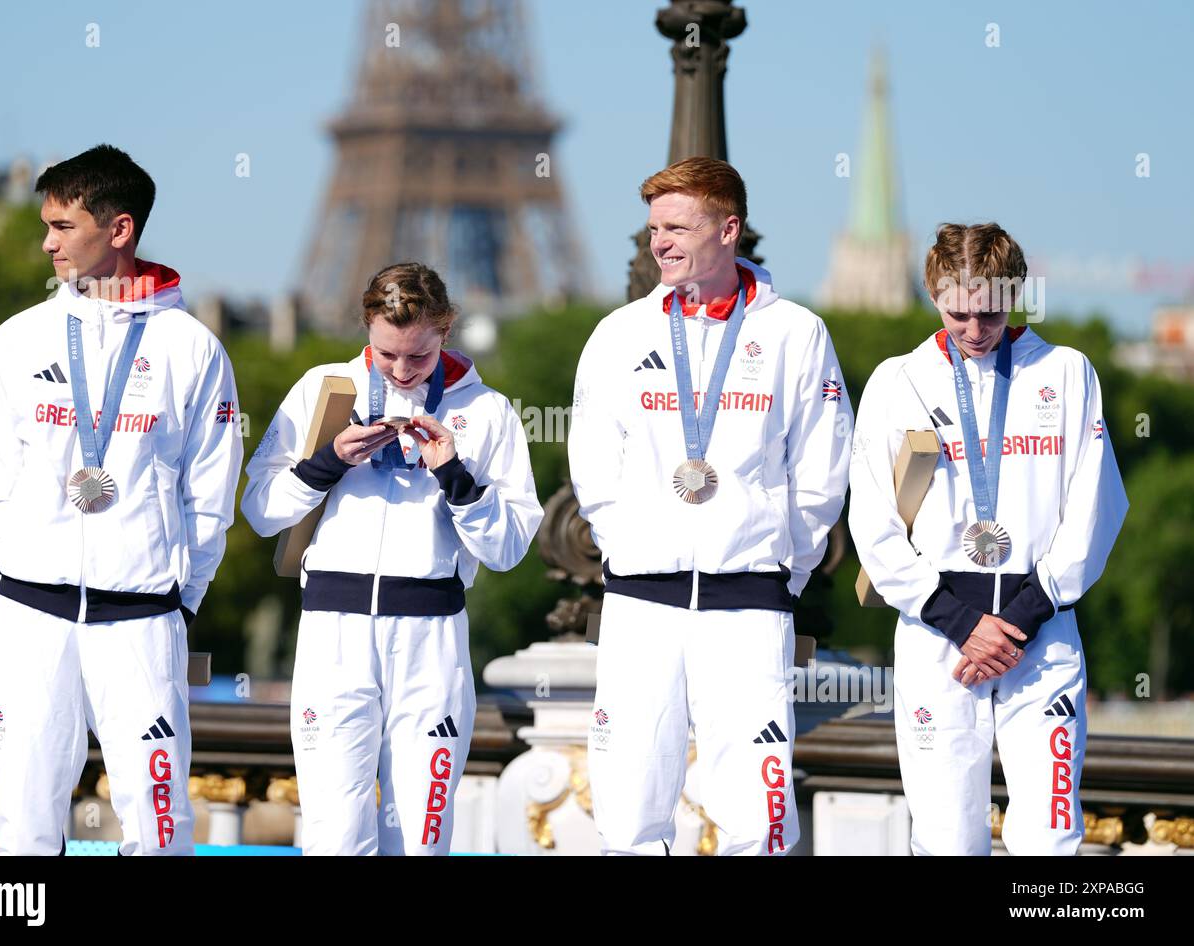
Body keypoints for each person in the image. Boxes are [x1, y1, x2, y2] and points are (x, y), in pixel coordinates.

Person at [568, 157, 853, 855]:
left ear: (729, 230)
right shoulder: (619, 334)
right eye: (652, 229)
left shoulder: (796, 333)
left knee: (757, 818)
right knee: (629, 811)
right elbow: (593, 465)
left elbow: (822, 470)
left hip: (748, 603)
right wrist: (629, 547)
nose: (657, 243)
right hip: (641, 602)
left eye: (675, 227)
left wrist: (779, 567)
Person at [0, 144, 243, 855]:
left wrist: (180, 597)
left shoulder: (192, 348)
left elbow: (210, 491)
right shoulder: (18, 339)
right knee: (22, 823)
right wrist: (17, 579)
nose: (46, 242)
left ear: (118, 230)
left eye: (62, 226)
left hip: (142, 615)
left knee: (157, 824)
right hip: (33, 611)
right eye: (46, 224)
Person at [242, 262, 542, 855]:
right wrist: (327, 461)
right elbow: (259, 509)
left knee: (421, 837)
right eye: (387, 355)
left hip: (430, 637)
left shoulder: (489, 412)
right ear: (366, 328)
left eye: (419, 358)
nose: (402, 371)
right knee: (334, 834)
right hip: (334, 632)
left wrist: (455, 477)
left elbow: (507, 549)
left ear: (445, 331)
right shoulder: (322, 388)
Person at [848, 223, 1128, 855]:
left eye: (993, 312)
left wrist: (1022, 617)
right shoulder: (899, 381)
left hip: (1042, 629)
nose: (975, 330)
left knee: (1051, 835)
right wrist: (957, 619)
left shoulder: (1065, 371)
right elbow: (871, 520)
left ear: (1017, 294)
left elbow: (1097, 508)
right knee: (946, 837)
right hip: (936, 634)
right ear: (931, 292)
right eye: (959, 312)